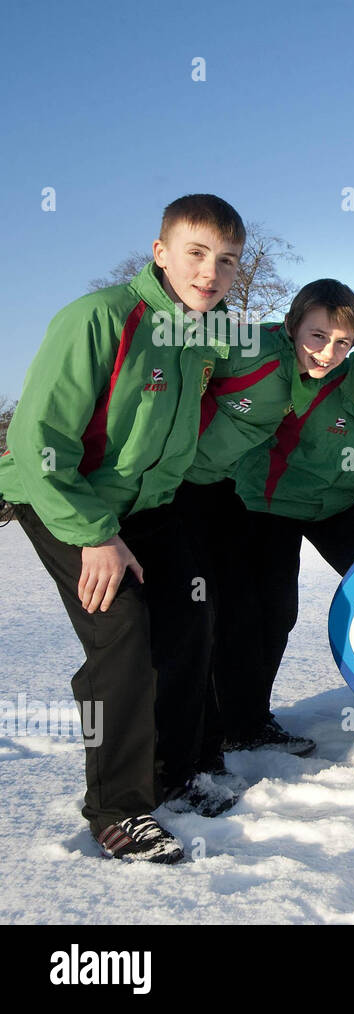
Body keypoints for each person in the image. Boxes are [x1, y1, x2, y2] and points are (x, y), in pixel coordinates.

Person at [0, 194, 245, 863]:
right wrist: (93, 534)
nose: (210, 272)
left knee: (193, 613)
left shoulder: (208, 331)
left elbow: (262, 364)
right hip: (63, 496)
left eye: (225, 261)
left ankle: (179, 770)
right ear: (161, 252)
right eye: (195, 254)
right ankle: (117, 810)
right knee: (124, 631)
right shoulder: (99, 318)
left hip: (146, 504)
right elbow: (35, 439)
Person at [164, 280, 354, 803]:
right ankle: (183, 757)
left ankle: (242, 725)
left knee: (262, 611)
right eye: (317, 335)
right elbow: (194, 346)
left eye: (342, 342)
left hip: (233, 491)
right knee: (201, 617)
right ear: (293, 324)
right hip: (179, 488)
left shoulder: (327, 371)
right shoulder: (251, 347)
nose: (328, 352)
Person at [219, 317, 354, 758]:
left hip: (333, 504)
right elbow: (274, 353)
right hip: (268, 502)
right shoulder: (321, 381)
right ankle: (242, 723)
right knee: (272, 612)